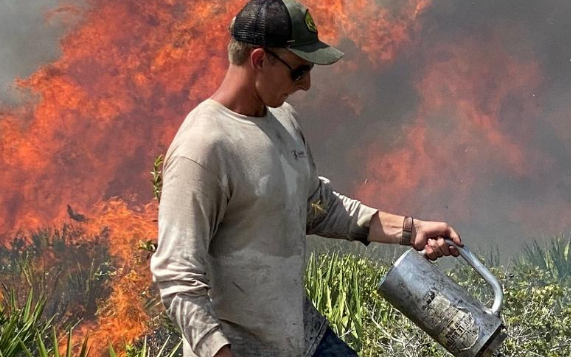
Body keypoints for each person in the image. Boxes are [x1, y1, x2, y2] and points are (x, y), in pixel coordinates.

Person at [150, 0, 465, 356]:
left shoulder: (283, 120)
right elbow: (176, 277)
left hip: (306, 339)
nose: (307, 85)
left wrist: (411, 230)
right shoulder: (204, 146)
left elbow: (316, 205)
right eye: (298, 71)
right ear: (259, 60)